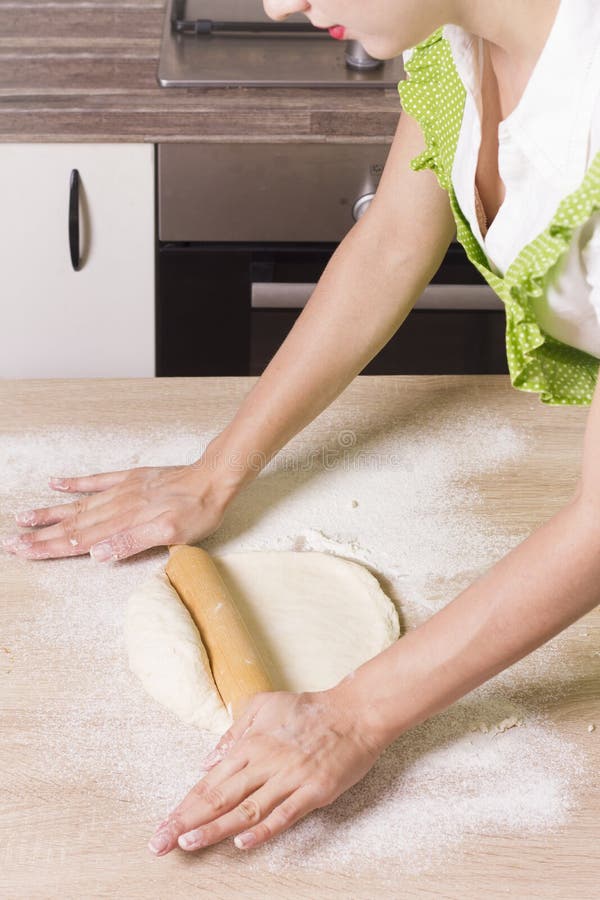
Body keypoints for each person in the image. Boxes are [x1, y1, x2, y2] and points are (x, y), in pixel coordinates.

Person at [3, 0, 600, 858]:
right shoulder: (468, 35)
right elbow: (395, 237)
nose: (280, 4)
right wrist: (217, 471)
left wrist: (351, 716)